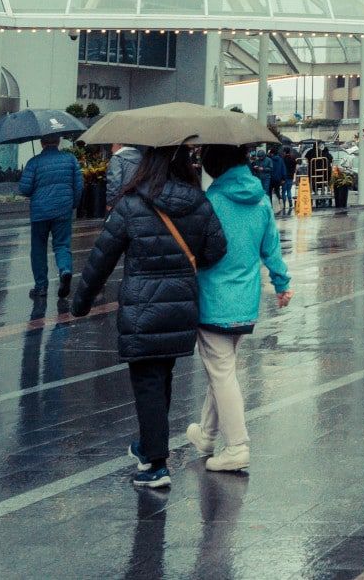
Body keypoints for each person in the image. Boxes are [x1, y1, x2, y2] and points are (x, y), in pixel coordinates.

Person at [71, 145, 228, 490]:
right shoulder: (198, 202)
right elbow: (217, 249)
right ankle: (148, 446)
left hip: (142, 309)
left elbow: (101, 258)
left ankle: (156, 464)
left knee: (148, 382)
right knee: (161, 378)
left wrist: (80, 303)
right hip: (180, 308)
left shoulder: (131, 204)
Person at [186, 144, 292, 473]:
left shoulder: (211, 202)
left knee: (222, 373)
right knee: (223, 370)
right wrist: (282, 283)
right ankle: (206, 435)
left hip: (212, 299)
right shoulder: (260, 200)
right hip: (245, 302)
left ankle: (236, 446)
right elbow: (270, 247)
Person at [19, 136, 83, 299]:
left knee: (38, 249)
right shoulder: (70, 159)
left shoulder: (34, 162)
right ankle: (65, 270)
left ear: (41, 143)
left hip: (40, 212)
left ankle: (41, 287)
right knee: (62, 244)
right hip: (63, 209)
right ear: (58, 142)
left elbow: (25, 189)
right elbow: (79, 185)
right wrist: (72, 204)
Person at [105, 143, 144, 213]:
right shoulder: (141, 157)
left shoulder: (117, 158)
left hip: (121, 201)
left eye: (113, 145)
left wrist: (111, 202)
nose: (111, 149)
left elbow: (114, 182)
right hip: (140, 200)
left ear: (119, 144)